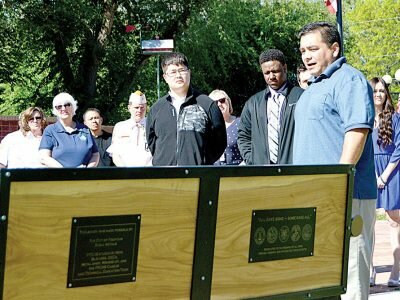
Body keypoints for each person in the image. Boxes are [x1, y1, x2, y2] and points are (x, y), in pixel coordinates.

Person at [293, 22, 376, 300]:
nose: (307, 56)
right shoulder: (313, 87)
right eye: (303, 50)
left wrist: (340, 183)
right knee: (320, 279)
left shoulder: (349, 80)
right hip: (313, 196)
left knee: (350, 277)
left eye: (314, 49)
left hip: (346, 196)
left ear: (334, 48)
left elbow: (357, 131)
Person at [146, 52, 226, 166]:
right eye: (173, 72)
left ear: (189, 72)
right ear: (165, 77)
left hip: (197, 175)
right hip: (164, 176)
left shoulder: (207, 104)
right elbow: (152, 143)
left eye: (182, 70)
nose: (178, 75)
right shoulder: (156, 109)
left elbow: (220, 141)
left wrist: (202, 161)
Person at [237, 49, 303, 165]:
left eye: (275, 71)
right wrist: (253, 160)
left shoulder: (300, 97)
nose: (271, 76)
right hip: (263, 171)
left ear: (285, 68)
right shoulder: (253, 103)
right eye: (266, 73)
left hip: (293, 168)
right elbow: (243, 136)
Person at [369, 77, 400, 287]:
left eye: (382, 91)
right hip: (368, 171)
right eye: (375, 90)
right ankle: (369, 271)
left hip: (391, 170)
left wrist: (385, 176)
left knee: (394, 221)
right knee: (367, 222)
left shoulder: (395, 118)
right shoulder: (364, 116)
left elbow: (399, 148)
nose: (378, 94)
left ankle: (396, 271)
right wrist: (372, 175)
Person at [39, 92, 99, 168]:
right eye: (59, 106)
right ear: (55, 110)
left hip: (83, 177)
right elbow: (44, 157)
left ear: (73, 107)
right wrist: (65, 172)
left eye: (67, 105)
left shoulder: (84, 129)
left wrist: (87, 170)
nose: (63, 108)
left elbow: (95, 154)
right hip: (59, 177)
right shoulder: (50, 130)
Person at [106, 91, 152, 167]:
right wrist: (125, 171)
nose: (139, 110)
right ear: (129, 107)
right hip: (126, 173)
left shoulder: (153, 125)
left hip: (149, 172)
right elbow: (115, 154)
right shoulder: (120, 127)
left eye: (142, 107)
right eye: (136, 107)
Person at [209, 89, 242, 165]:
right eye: (214, 103)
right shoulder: (207, 128)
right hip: (214, 174)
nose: (219, 104)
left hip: (237, 172)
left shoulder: (240, 123)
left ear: (229, 103)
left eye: (222, 100)